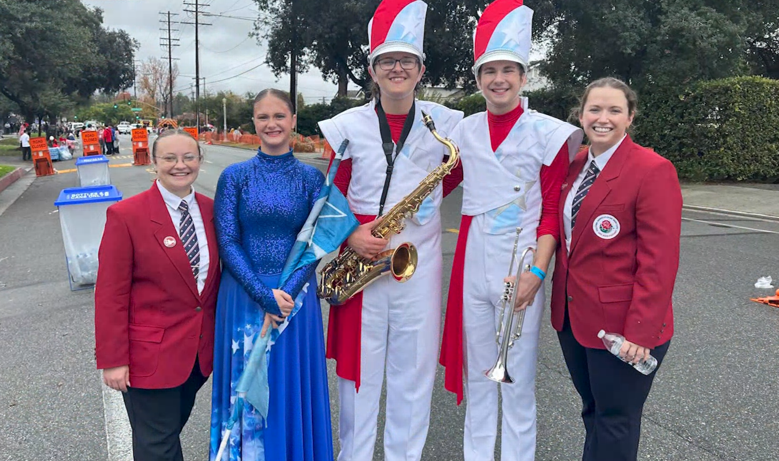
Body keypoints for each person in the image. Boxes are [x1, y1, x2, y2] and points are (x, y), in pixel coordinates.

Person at [318, 1, 463, 459]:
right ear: (372, 69)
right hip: (363, 259)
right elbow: (328, 193)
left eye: (406, 61)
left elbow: (454, 178)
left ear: (421, 69)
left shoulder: (450, 123)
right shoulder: (345, 126)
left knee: (413, 374)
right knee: (359, 376)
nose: (396, 68)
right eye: (387, 61)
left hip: (417, 267)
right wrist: (350, 236)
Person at [439, 1, 583, 459]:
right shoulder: (464, 129)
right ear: (478, 78)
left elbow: (551, 214)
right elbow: (436, 188)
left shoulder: (549, 133)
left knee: (516, 384)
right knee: (480, 378)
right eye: (489, 70)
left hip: (521, 265)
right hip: (473, 262)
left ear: (523, 77)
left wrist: (535, 275)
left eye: (508, 70)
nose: (498, 79)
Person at [550, 77, 682, 461]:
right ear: (581, 113)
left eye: (614, 110)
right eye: (595, 109)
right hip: (574, 320)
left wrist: (639, 333)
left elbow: (659, 262)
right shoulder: (575, 165)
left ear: (630, 117)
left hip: (625, 328)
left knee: (616, 420)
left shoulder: (652, 170)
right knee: (593, 412)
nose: (602, 118)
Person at [209, 89, 333, 461]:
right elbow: (228, 242)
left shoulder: (313, 180)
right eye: (263, 117)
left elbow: (315, 245)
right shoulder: (234, 177)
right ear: (254, 122)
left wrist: (285, 294)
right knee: (247, 390)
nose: (271, 124)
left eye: (279, 116)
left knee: (286, 386)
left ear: (293, 121)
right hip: (245, 295)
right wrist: (264, 295)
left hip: (295, 299)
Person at [95, 129, 221, 461]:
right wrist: (113, 360)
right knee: (158, 446)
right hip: (148, 358)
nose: (180, 165)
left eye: (188, 157)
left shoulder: (213, 210)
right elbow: (111, 294)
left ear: (199, 161)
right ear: (154, 163)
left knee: (164, 434)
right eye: (169, 158)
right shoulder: (127, 216)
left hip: (196, 356)